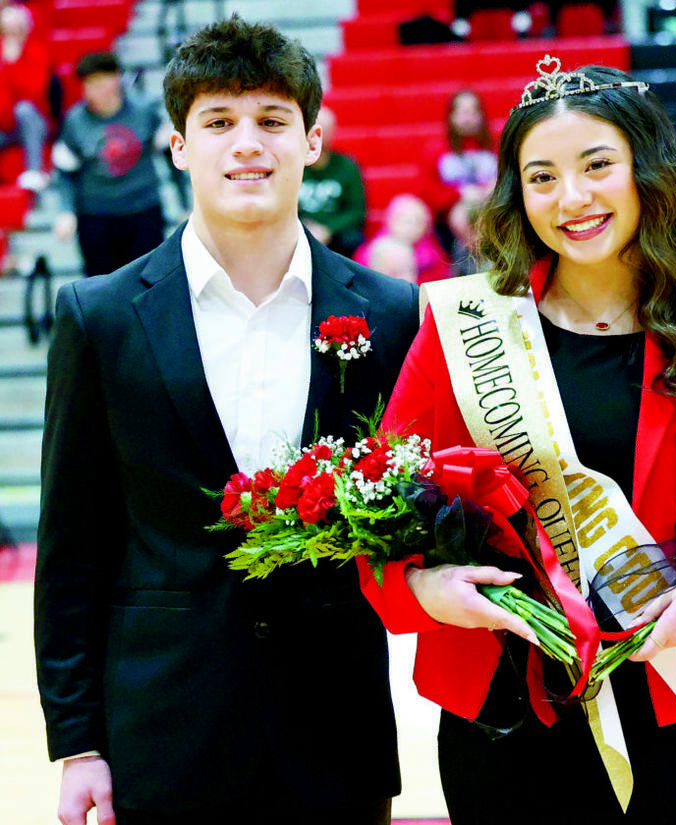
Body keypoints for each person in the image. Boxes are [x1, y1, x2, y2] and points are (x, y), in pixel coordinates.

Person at [357, 57, 676, 824]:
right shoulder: (463, 332)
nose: (571, 197)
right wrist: (427, 592)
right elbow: (377, 521)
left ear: (645, 171)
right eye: (542, 176)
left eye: (596, 165)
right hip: (504, 711)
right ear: (519, 193)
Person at [34, 15, 419, 825]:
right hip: (162, 730)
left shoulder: (390, 312)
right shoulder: (99, 316)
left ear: (313, 141)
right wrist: (77, 743)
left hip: (335, 732)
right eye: (218, 123)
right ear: (178, 145)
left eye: (273, 121)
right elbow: (73, 546)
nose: (248, 143)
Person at [51, 51, 167, 276]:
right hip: (96, 215)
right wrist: (66, 211)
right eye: (89, 84)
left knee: (149, 282)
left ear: (116, 79)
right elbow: (65, 171)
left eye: (100, 82)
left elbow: (173, 157)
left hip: (143, 209)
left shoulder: (145, 111)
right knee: (99, 285)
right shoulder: (75, 121)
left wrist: (185, 204)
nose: (94, 91)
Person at [421, 88, 497, 273]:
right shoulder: (436, 150)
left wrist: (495, 187)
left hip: (491, 212)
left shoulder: (496, 145)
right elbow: (427, 193)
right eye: (462, 112)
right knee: (462, 213)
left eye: (472, 112)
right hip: (450, 224)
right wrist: (458, 194)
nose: (468, 118)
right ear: (451, 116)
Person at [297, 105, 366, 257]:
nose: (320, 136)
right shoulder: (294, 165)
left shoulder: (347, 166)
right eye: (315, 129)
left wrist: (329, 229)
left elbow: (356, 212)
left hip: (337, 235)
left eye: (325, 130)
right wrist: (305, 228)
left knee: (353, 238)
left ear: (333, 132)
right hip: (301, 230)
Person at [0, 2, 51, 191]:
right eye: (8, 30)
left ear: (26, 29)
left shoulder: (37, 51)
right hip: (5, 124)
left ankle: (34, 171)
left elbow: (32, 94)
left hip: (34, 123)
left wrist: (12, 64)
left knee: (24, 110)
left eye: (18, 29)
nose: (13, 35)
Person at [354, 193, 452, 284]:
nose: (411, 228)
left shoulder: (434, 255)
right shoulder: (369, 252)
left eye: (418, 222)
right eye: (405, 221)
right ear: (390, 220)